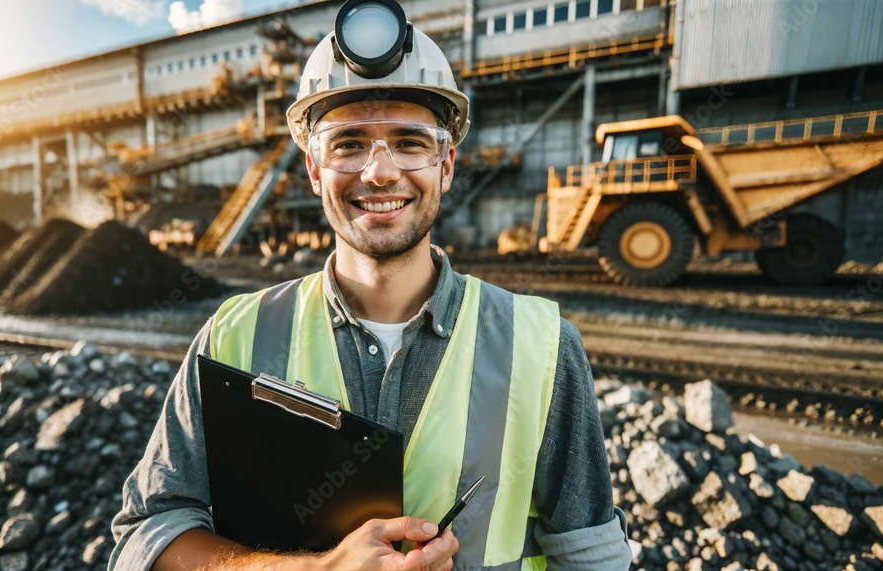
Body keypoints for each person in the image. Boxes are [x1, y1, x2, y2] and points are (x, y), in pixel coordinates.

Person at [110, 1, 631, 569]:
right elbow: (147, 535)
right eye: (349, 143)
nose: (380, 171)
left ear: (446, 165)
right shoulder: (234, 336)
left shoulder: (542, 345)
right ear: (314, 170)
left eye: (409, 142)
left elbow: (594, 560)